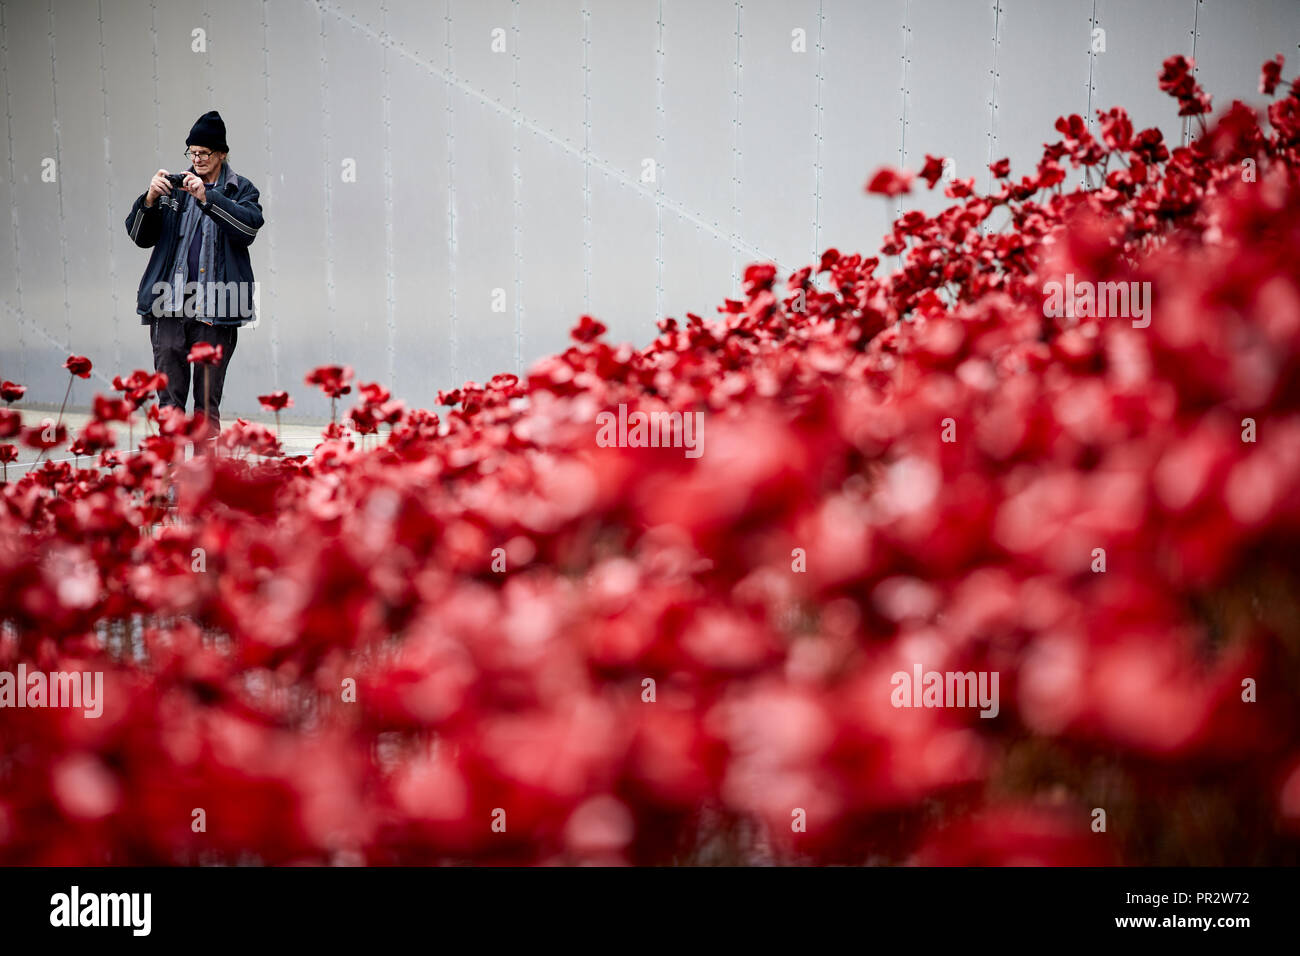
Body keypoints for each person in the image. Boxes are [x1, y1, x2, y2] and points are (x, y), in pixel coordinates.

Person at [124, 110, 263, 450]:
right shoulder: (174, 187)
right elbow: (140, 236)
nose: (197, 159)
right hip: (168, 305)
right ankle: (170, 485)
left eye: (204, 153)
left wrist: (207, 197)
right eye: (192, 152)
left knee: (205, 409)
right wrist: (149, 200)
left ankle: (201, 490)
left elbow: (247, 229)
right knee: (170, 405)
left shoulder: (240, 188)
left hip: (218, 308)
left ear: (222, 154)